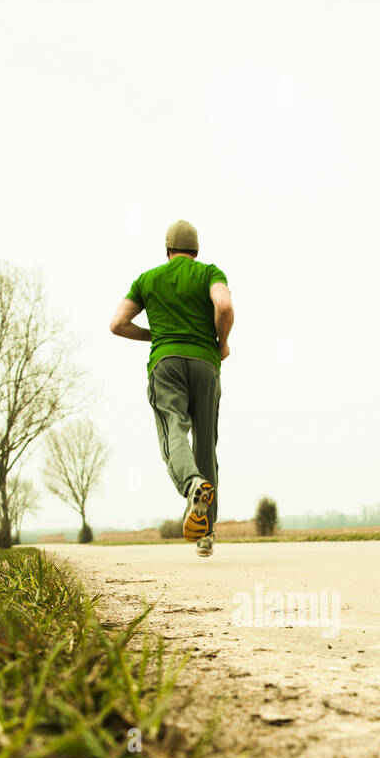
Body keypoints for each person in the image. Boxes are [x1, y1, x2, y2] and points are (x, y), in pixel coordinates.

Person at [110, 219, 234, 555]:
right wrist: (221, 342)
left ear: (168, 251)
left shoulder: (148, 279)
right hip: (206, 364)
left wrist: (158, 335)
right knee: (205, 445)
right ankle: (205, 533)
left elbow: (118, 324)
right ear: (196, 251)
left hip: (166, 365)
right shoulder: (209, 272)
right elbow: (223, 305)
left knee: (173, 430)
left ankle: (191, 484)